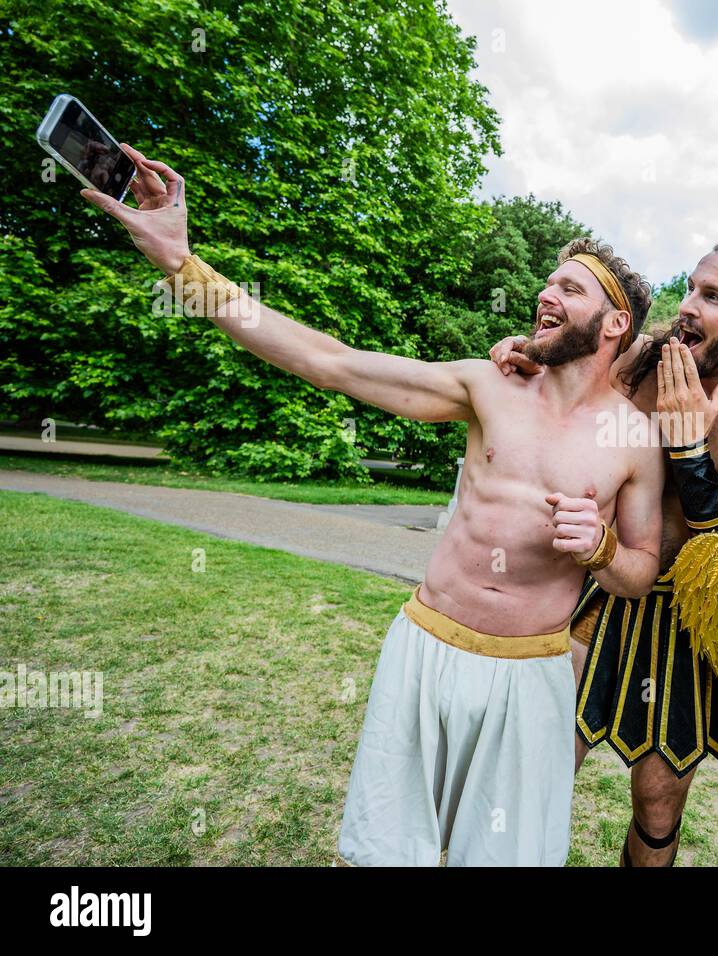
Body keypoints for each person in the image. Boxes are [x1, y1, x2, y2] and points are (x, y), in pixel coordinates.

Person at [80, 151, 665, 866]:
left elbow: (641, 572)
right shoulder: (486, 385)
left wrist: (602, 549)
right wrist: (183, 266)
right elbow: (331, 362)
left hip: (531, 674)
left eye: (569, 288)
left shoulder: (634, 441)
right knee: (384, 856)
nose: (546, 292)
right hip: (424, 644)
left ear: (613, 324)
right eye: (548, 281)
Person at [490, 237, 718, 864]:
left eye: (712, 297)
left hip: (694, 621)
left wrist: (690, 449)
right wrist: (522, 352)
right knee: (542, 762)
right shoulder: (637, 362)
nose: (687, 306)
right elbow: (559, 373)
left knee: (658, 800)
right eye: (691, 287)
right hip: (599, 587)